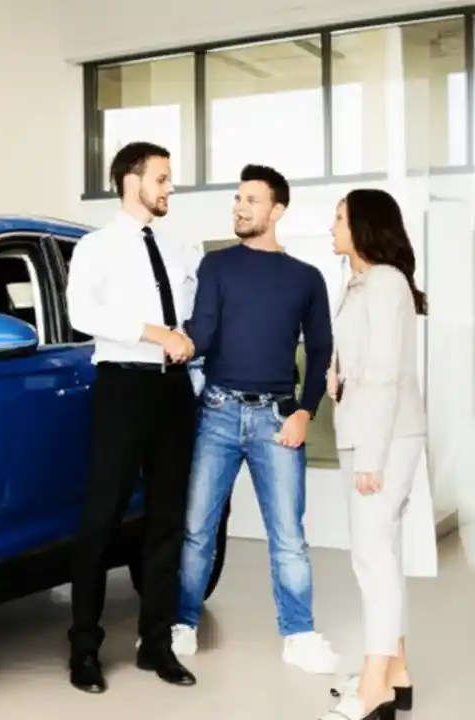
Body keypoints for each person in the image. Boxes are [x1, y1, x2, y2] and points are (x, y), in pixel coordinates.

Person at [174, 164, 341, 675]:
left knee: (288, 535)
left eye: (251, 200)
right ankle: (182, 621)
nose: (240, 207)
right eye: (237, 199)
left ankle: (299, 633)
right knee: (198, 529)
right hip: (218, 414)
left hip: (277, 421)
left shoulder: (306, 279)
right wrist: (165, 338)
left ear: (277, 210)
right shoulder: (216, 267)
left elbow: (320, 350)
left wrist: (305, 413)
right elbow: (201, 332)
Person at [64, 141, 199, 694]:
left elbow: (192, 315)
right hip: (123, 385)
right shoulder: (95, 247)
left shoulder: (180, 246)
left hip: (174, 392)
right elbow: (81, 314)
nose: (170, 189)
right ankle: (84, 650)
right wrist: (153, 332)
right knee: (101, 521)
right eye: (162, 179)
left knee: (168, 521)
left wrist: (188, 339)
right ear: (130, 180)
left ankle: (157, 645)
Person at [321, 188, 430, 720]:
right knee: (381, 552)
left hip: (382, 439)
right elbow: (368, 362)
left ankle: (374, 688)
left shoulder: (385, 283)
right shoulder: (361, 283)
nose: (331, 226)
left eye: (339, 217)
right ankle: (396, 671)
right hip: (366, 430)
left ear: (363, 224)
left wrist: (371, 457)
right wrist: (339, 378)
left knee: (372, 558)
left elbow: (387, 374)